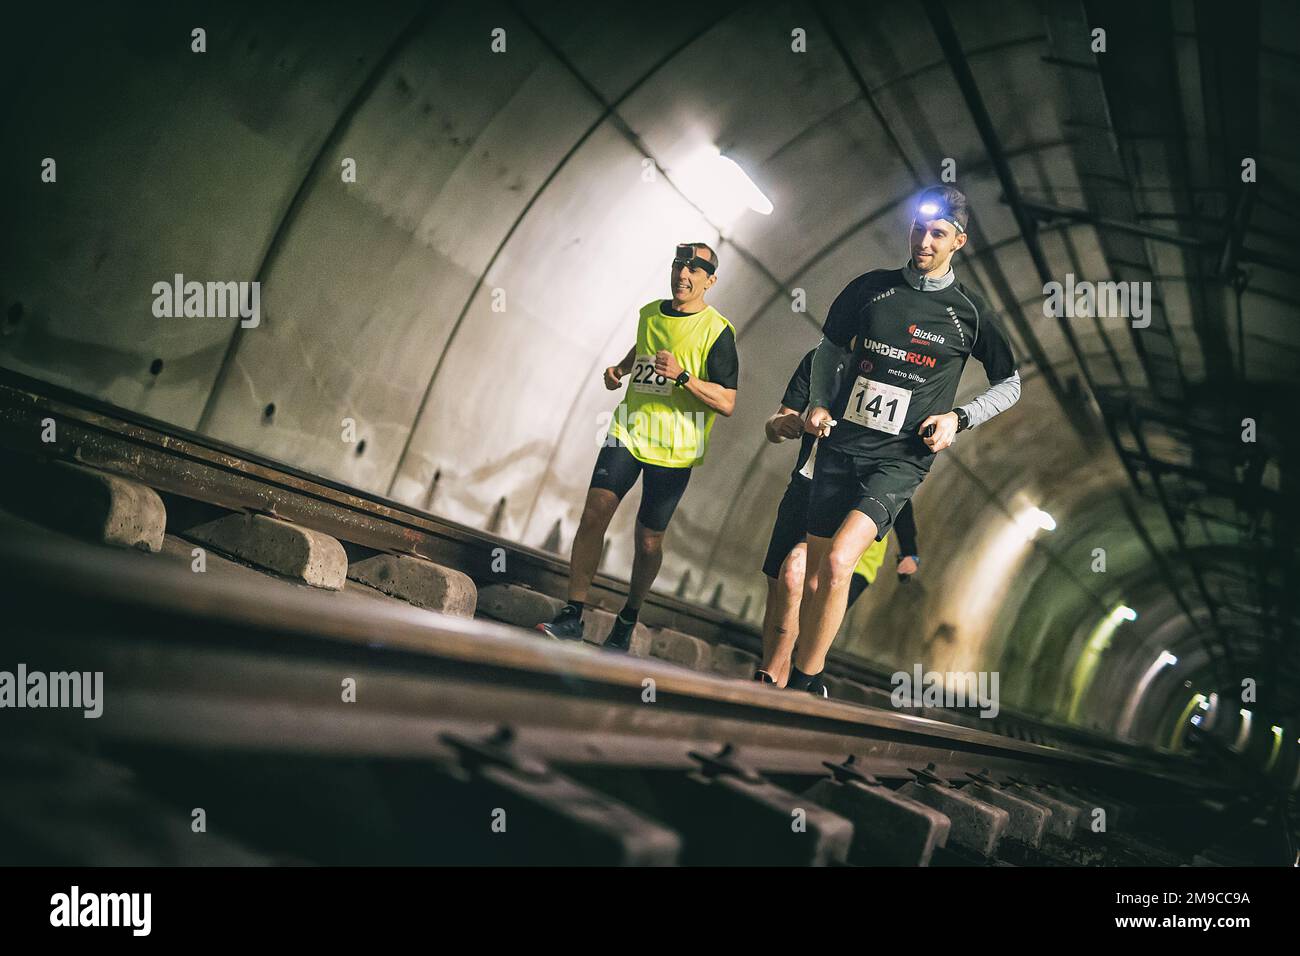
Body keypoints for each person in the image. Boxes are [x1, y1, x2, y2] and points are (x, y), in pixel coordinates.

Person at [789, 185, 1021, 697]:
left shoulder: (969, 313)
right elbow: (828, 349)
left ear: (959, 240)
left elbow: (1011, 384)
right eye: (919, 229)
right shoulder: (870, 288)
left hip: (900, 459)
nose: (925, 242)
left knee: (837, 561)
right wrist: (821, 402)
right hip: (842, 443)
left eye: (938, 234)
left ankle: (804, 684)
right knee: (811, 579)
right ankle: (806, 670)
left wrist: (959, 419)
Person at [538, 243, 738, 650]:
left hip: (675, 448)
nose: (684, 274)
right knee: (595, 512)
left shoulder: (718, 331)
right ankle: (573, 613)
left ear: (709, 281)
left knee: (648, 542)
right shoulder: (650, 312)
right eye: (679, 265)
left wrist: (684, 377)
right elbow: (643, 352)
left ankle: (628, 616)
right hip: (627, 431)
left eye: (695, 270)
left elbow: (727, 402)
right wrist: (620, 369)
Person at [758, 348, 921, 687]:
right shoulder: (820, 360)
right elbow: (775, 425)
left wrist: (910, 551)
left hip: (849, 498)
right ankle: (788, 679)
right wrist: (782, 425)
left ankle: (780, 678)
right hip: (805, 487)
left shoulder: (904, 368)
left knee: (797, 575)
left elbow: (901, 495)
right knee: (779, 587)